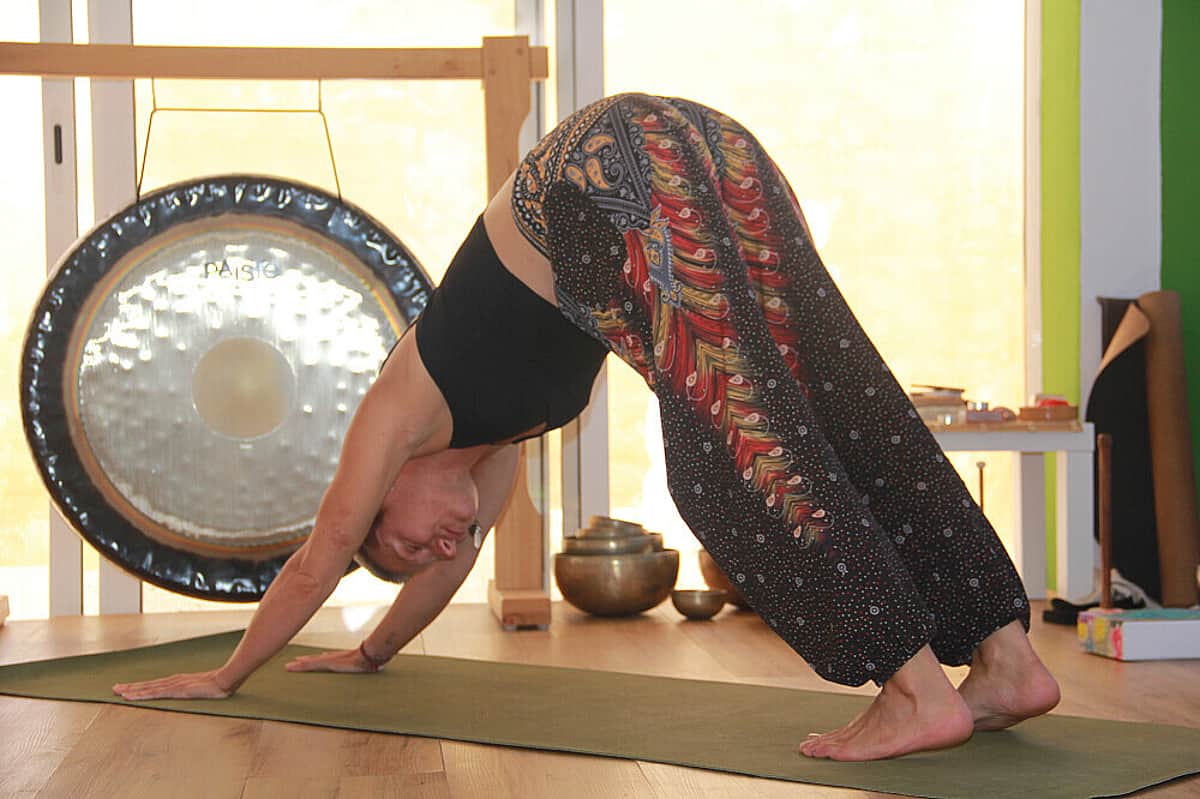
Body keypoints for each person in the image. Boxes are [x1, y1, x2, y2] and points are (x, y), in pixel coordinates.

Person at [112, 93, 1060, 762]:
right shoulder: (493, 458)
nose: (437, 543)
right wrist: (369, 651)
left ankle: (913, 691)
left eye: (397, 543)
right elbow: (449, 565)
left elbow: (321, 554)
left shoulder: (394, 411)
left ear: (378, 499)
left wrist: (230, 675)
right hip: (700, 140)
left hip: (610, 168)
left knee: (724, 458)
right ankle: (1006, 658)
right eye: (431, 550)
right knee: (840, 397)